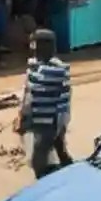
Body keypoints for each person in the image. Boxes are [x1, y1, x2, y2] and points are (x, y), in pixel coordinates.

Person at [26, 29, 73, 179]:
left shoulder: (57, 70)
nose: (33, 49)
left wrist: (61, 124)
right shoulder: (38, 65)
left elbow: (63, 97)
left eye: (35, 45)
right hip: (43, 119)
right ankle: (70, 174)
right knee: (60, 150)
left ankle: (44, 183)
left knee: (37, 159)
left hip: (50, 121)